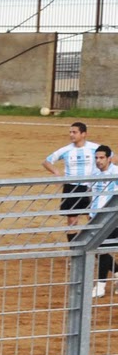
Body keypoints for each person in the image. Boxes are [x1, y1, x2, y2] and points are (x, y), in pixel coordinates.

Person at [44, 120, 103, 237]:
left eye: (74, 132)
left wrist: (102, 172)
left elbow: (112, 158)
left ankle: (96, 249)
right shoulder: (65, 150)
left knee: (93, 218)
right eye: (70, 132)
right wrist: (56, 171)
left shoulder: (95, 148)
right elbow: (46, 162)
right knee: (72, 220)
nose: (71, 135)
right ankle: (75, 250)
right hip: (72, 187)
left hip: (91, 187)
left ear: (83, 134)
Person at [89, 144, 118, 298]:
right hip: (95, 218)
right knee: (97, 250)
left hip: (112, 219)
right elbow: (93, 194)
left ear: (109, 158)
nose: (98, 161)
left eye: (101, 158)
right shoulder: (94, 173)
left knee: (101, 250)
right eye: (96, 158)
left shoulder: (116, 173)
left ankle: (100, 286)